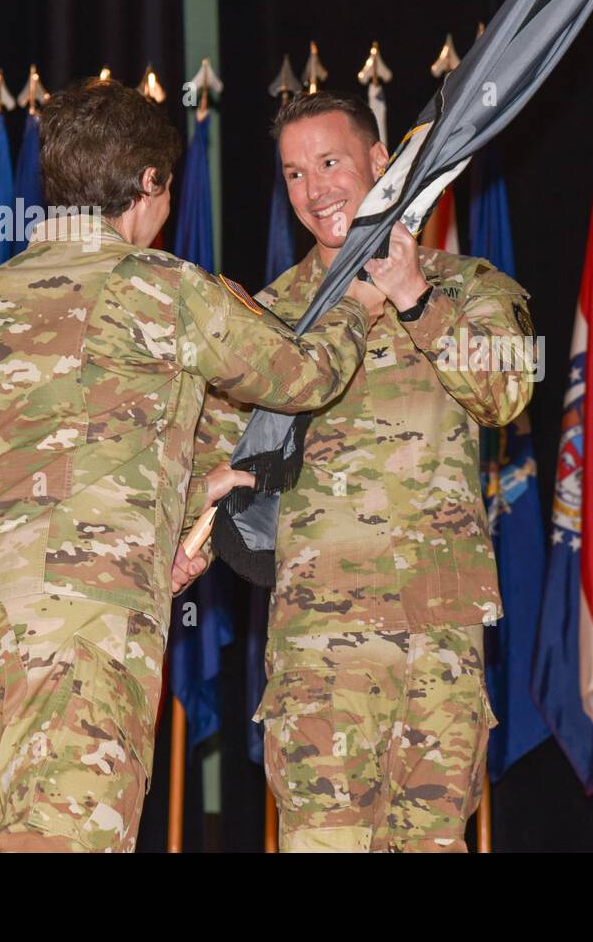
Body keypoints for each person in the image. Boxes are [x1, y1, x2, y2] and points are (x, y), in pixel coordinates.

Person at [0, 77, 379, 852]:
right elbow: (303, 377)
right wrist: (356, 312)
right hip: (78, 610)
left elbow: (60, 442)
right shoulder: (158, 285)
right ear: (151, 184)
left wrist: (179, 508)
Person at [194, 88, 536, 851]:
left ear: (381, 163)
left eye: (330, 162)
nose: (315, 190)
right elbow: (214, 461)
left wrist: (414, 298)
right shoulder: (266, 318)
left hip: (439, 641)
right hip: (322, 647)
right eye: (293, 174)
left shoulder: (467, 286)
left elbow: (508, 395)